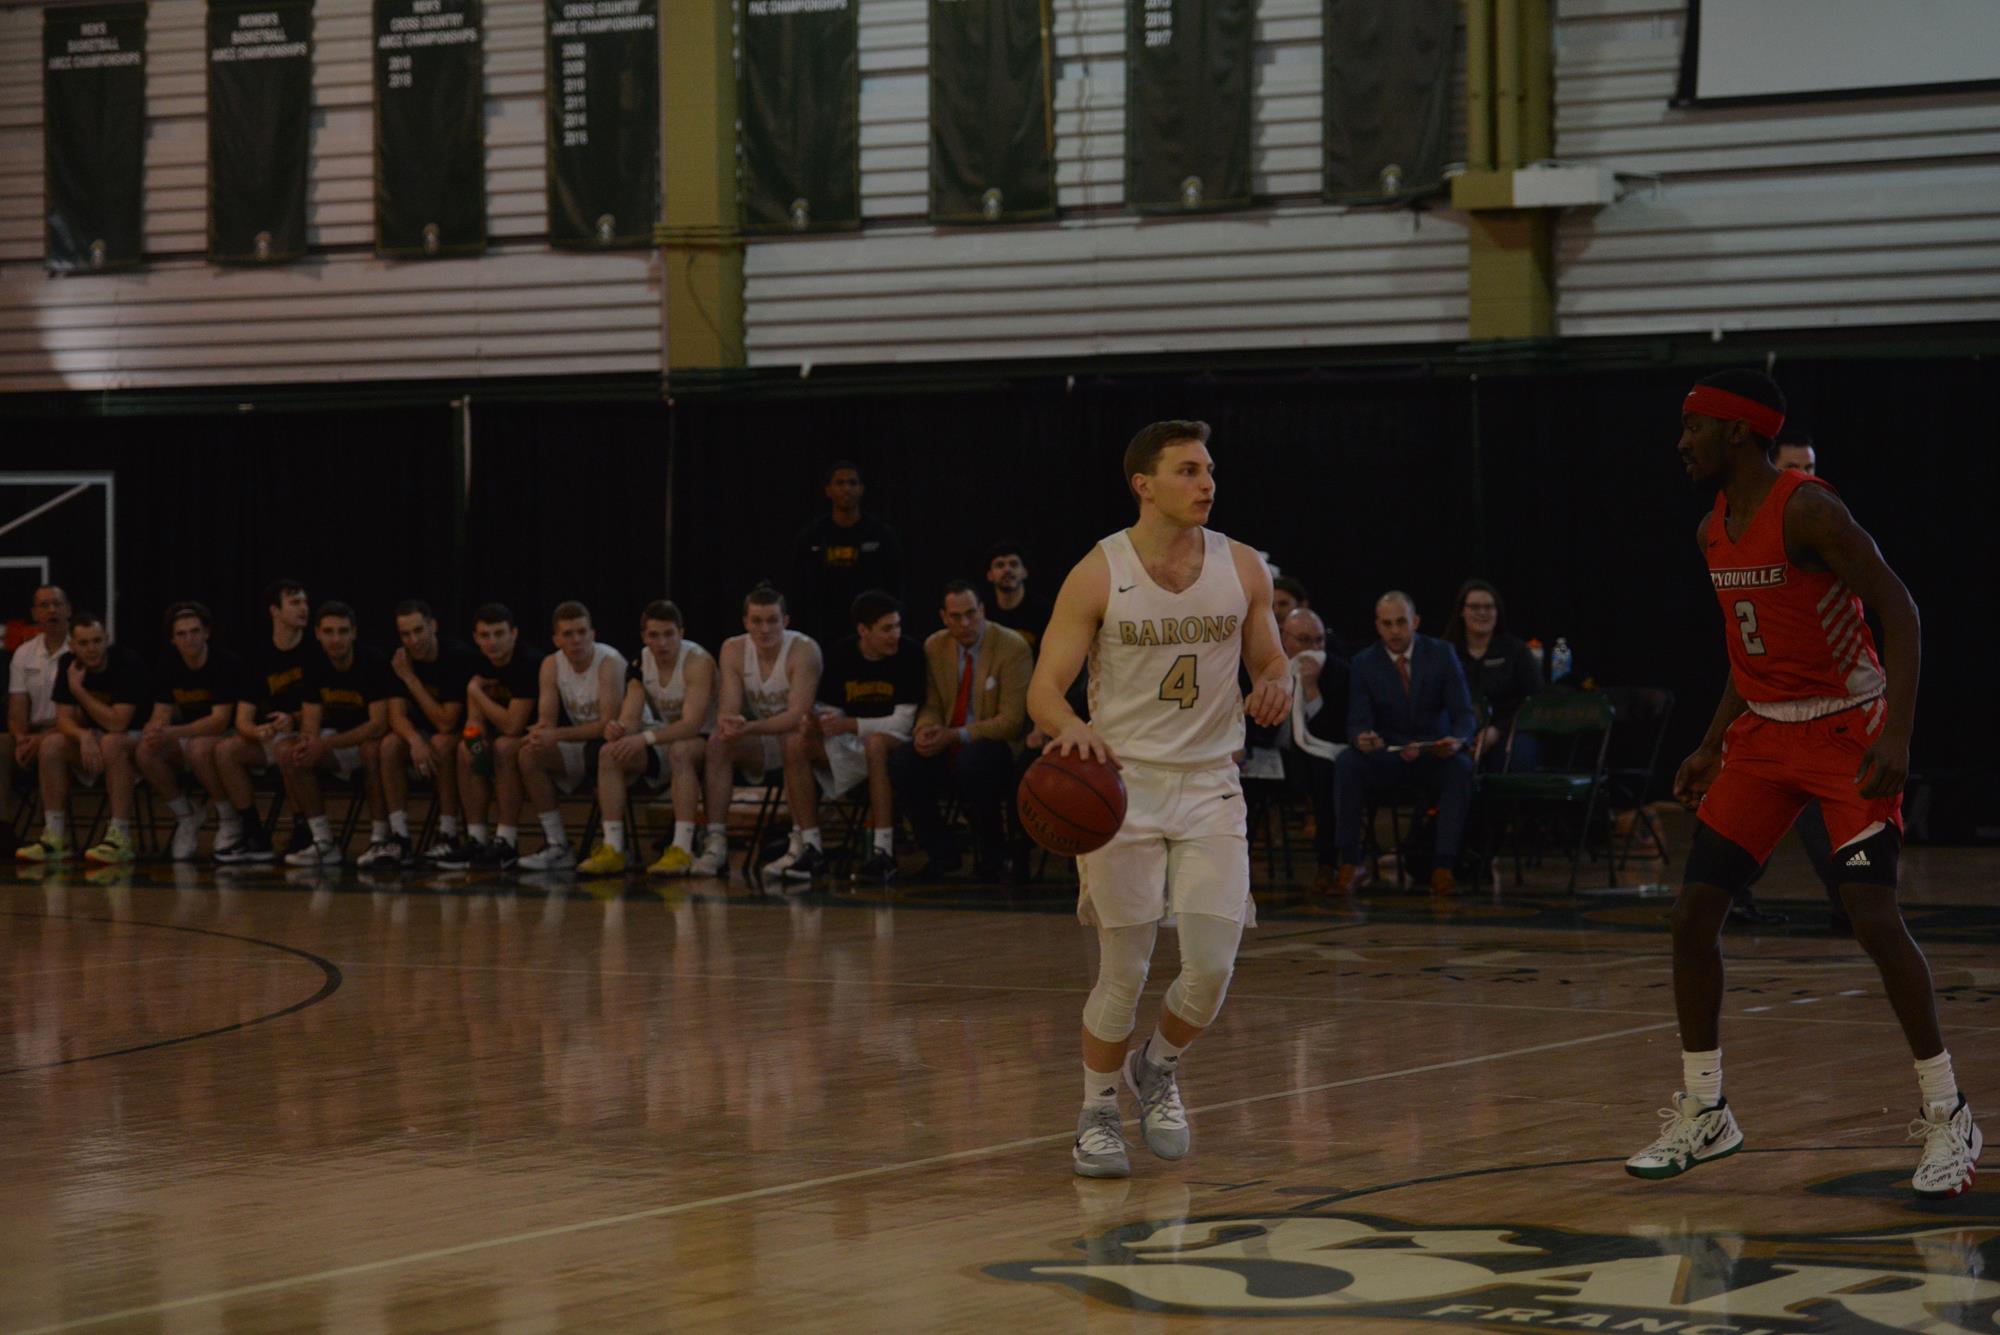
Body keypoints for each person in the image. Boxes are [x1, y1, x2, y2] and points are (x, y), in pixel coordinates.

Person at [1624, 369, 1979, 1199]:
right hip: (1763, 736)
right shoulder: (1712, 528)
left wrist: (1896, 730)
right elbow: (1750, 655)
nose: (1681, 443)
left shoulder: (1809, 508)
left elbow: (1900, 609)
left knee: (1873, 917)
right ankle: (1707, 1110)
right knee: (1691, 915)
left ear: (1737, 435)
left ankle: (1948, 1111)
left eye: (1694, 429)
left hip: (1844, 731)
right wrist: (1712, 744)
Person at [1027, 419, 1291, 1180]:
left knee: (1211, 966)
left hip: (1212, 783)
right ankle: (1096, 1113)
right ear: (1144, 485)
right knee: (1126, 968)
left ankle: (1159, 1064)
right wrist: (1072, 727)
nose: (1206, 482)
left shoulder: (1242, 567)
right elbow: (1044, 688)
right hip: (1122, 788)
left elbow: (1272, 656)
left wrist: (1277, 680)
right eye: (1187, 470)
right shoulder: (1097, 572)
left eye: (1209, 469)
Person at [1332, 592, 1477, 895]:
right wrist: (1363, 738)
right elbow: (1357, 721)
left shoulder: (1441, 654)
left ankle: (1443, 866)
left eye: (1401, 622)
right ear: (1377, 626)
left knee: (1461, 768)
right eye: (1387, 624)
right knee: (1348, 762)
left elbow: (1464, 715)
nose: (1395, 631)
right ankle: (1350, 861)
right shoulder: (1364, 663)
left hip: (1432, 752)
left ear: (1415, 622)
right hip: (1389, 754)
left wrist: (1456, 741)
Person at [890, 581, 1031, 880]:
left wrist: (956, 735)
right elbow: (931, 703)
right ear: (943, 617)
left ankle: (993, 852)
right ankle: (941, 852)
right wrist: (926, 730)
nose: (964, 623)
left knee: (975, 761)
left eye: (971, 614)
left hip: (996, 743)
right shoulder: (934, 645)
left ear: (982, 610)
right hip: (950, 738)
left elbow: (1012, 721)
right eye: (955, 616)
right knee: (905, 761)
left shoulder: (1012, 646)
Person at [784, 589, 924, 884]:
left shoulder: (910, 653)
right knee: (796, 743)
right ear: (863, 630)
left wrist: (850, 725)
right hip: (850, 743)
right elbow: (829, 710)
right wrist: (818, 723)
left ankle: (883, 851)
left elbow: (903, 721)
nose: (895, 635)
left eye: (898, 626)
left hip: (895, 743)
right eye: (887, 629)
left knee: (875, 743)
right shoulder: (841, 654)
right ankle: (811, 847)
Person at [578, 600, 716, 877]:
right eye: (654, 635)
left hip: (709, 741)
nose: (662, 643)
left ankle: (682, 847)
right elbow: (630, 716)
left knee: (680, 750)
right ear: (644, 636)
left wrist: (645, 738)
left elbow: (691, 725)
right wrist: (617, 730)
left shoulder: (698, 662)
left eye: (668, 634)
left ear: (681, 633)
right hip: (666, 738)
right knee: (610, 753)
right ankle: (614, 847)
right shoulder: (641, 662)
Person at [692, 585, 821, 880]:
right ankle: (716, 842)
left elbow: (797, 715)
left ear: (786, 621)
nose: (765, 629)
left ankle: (801, 841)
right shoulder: (733, 649)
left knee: (793, 738)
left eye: (773, 620)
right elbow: (729, 707)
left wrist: (748, 726)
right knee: (718, 741)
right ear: (745, 623)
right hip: (765, 738)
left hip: (806, 738)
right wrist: (731, 723)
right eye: (757, 621)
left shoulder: (803, 649)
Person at [15, 612, 150, 864]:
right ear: (73, 645)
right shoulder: (69, 663)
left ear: (107, 640)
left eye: (97, 641)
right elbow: (64, 718)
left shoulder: (127, 662)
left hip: (136, 740)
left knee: (112, 742)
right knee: (52, 744)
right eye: (84, 643)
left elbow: (118, 723)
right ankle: (55, 836)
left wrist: (78, 690)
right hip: (98, 736)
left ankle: (119, 836)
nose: (91, 649)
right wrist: (82, 735)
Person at [213, 579, 318, 864]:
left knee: (288, 751)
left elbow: (328, 707)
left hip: (311, 732)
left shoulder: (316, 649)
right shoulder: (258, 656)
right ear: (275, 611)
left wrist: (294, 718)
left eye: (305, 602)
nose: (304, 609)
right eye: (295, 603)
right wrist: (257, 731)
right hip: (276, 735)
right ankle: (253, 832)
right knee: (225, 750)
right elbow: (242, 718)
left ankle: (304, 830)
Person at [517, 602, 627, 872]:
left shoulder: (609, 662)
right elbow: (547, 720)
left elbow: (607, 724)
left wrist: (556, 734)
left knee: (602, 751)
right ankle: (557, 844)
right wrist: (539, 734)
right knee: (528, 753)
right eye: (568, 634)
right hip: (583, 746)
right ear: (556, 639)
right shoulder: (551, 665)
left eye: (581, 632)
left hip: (619, 745)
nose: (576, 640)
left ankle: (614, 845)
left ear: (593, 634)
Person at [367, 600, 478, 869]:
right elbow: (396, 716)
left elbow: (446, 723)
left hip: (461, 737)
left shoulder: (456, 656)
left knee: (440, 742)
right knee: (390, 745)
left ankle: (449, 833)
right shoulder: (399, 659)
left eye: (419, 631)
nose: (413, 640)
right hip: (423, 736)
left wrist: (411, 680)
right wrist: (415, 740)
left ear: (433, 626)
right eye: (406, 634)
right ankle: (399, 836)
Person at [283, 602, 395, 867]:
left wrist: (326, 743)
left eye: (343, 631)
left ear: (354, 633)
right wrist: (308, 743)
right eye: (329, 632)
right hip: (338, 739)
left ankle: (380, 838)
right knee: (295, 755)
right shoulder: (314, 665)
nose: (336, 639)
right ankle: (323, 841)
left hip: (370, 740)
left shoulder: (373, 661)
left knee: (371, 750)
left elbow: (378, 724)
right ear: (318, 634)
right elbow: (310, 720)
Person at [433, 603, 541, 871]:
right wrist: (475, 741)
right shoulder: (476, 663)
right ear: (475, 638)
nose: (492, 641)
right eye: (485, 635)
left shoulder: (528, 661)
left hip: (535, 738)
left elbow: (514, 725)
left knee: (504, 746)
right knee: (465, 748)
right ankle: (477, 838)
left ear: (513, 634)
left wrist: (476, 693)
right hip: (501, 738)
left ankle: (506, 840)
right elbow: (474, 720)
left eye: (498, 633)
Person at [136, 602, 243, 861]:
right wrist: (154, 729)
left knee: (198, 748)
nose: (189, 638)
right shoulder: (168, 665)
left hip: (227, 737)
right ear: (173, 640)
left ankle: (228, 816)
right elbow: (161, 712)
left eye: (194, 631)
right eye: (181, 634)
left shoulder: (224, 662)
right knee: (145, 750)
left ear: (206, 632)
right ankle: (186, 815)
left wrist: (173, 732)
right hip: (187, 734)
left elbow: (219, 721)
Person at [790, 460, 905, 647]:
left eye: (852, 483)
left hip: (870, 630)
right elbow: (798, 590)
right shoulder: (811, 537)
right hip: (822, 631)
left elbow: (895, 586)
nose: (846, 489)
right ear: (828, 490)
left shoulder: (881, 535)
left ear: (861, 489)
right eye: (840, 483)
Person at [1274, 607, 1349, 893]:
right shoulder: (1268, 667)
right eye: (1303, 640)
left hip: (1315, 754)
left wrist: (1311, 689)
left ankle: (1326, 864)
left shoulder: (1338, 671)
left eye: (1318, 641)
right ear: (1284, 639)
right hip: (1275, 750)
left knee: (1325, 771)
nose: (1313, 649)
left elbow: (1334, 731)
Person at [1441, 578, 1544, 772]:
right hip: (1457, 733)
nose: (1482, 613)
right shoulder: (1445, 652)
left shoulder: (1516, 650)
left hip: (1509, 731)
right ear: (1462, 612)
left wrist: (1497, 731)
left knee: (1516, 759)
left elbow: (1535, 700)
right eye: (1474, 607)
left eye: (1489, 607)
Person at [3, 584, 72, 846]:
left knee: (50, 747)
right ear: (34, 613)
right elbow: (17, 707)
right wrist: (20, 737)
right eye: (44, 605)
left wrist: (43, 737)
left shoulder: (80, 649)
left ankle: (53, 833)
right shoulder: (24, 653)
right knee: (1, 745)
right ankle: (4, 828)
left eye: (57, 603)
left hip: (67, 730)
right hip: (32, 730)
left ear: (68, 609)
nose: (51, 609)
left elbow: (84, 713)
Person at [982, 541, 1052, 656]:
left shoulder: (1043, 610)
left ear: (1025, 572)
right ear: (990, 575)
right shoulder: (983, 612)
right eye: (1000, 565)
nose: (1007, 570)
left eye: (1013, 564)